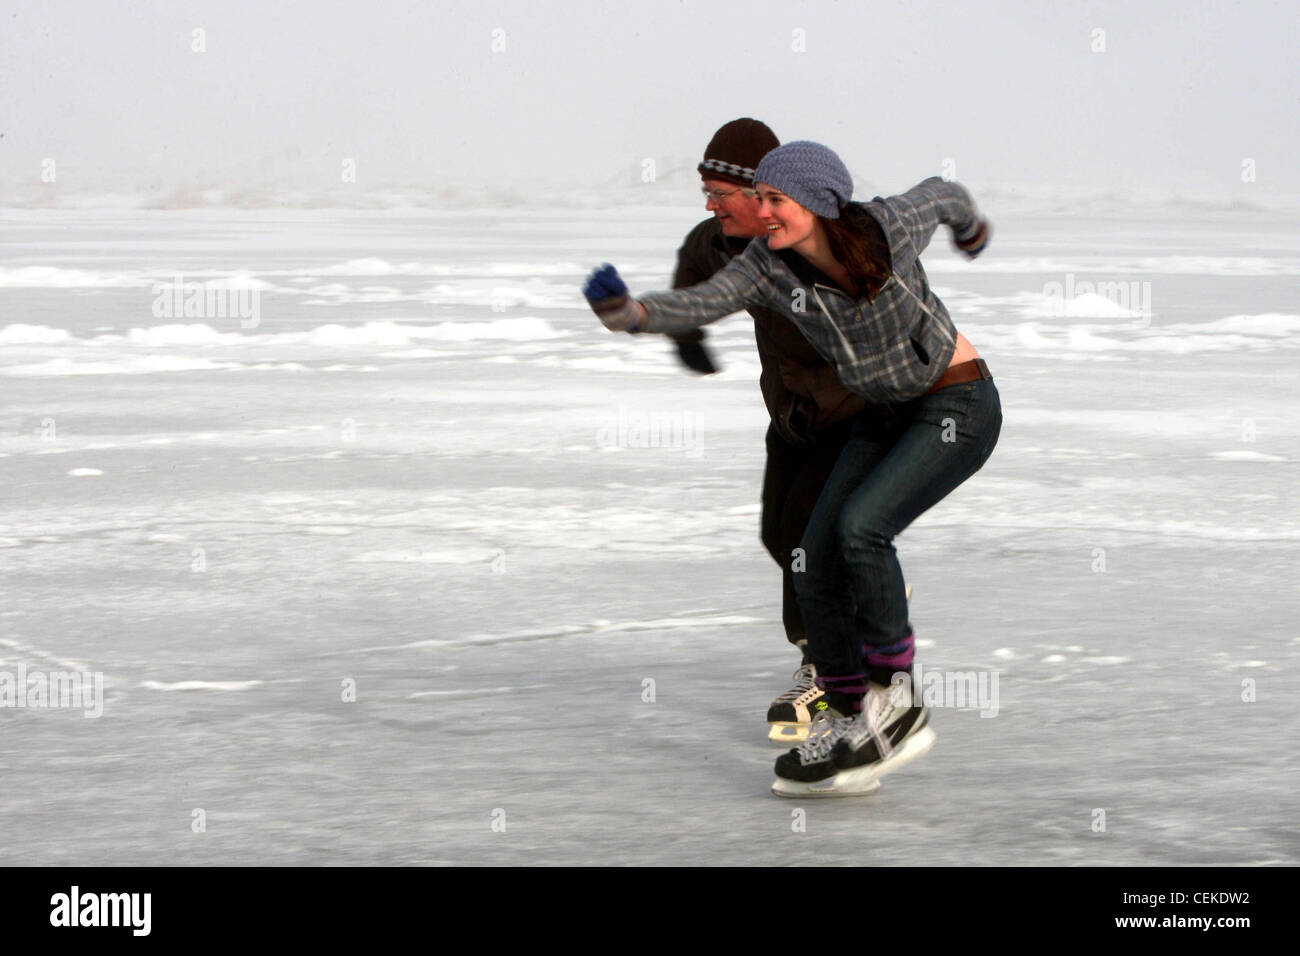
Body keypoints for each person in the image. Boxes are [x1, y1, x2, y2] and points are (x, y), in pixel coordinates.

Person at [583, 141, 1001, 796]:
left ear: (818, 201)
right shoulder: (768, 268)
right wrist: (631, 314)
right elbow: (702, 301)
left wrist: (970, 228)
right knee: (811, 553)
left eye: (776, 200)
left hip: (956, 404)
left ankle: (896, 695)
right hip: (883, 415)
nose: (764, 213)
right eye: (761, 200)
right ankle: (844, 716)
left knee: (861, 529)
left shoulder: (886, 225)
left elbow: (943, 195)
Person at [667, 119, 887, 743]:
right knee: (778, 534)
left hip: (854, 415)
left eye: (718, 191)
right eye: (705, 191)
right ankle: (846, 646)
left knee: (807, 543)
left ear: (759, 190)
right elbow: (691, 271)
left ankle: (828, 670)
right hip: (792, 419)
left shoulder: (814, 240)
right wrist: (688, 337)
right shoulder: (718, 241)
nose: (710, 204)